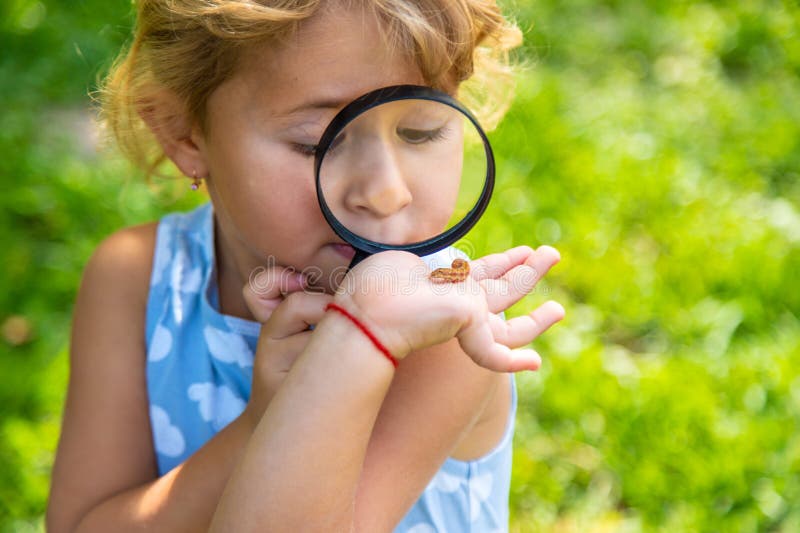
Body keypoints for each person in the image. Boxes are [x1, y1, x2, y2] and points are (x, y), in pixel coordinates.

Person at [47, 1, 565, 531]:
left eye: (421, 132)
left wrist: (358, 341)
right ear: (184, 135)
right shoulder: (138, 280)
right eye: (318, 143)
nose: (387, 192)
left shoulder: (445, 332)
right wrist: (261, 423)